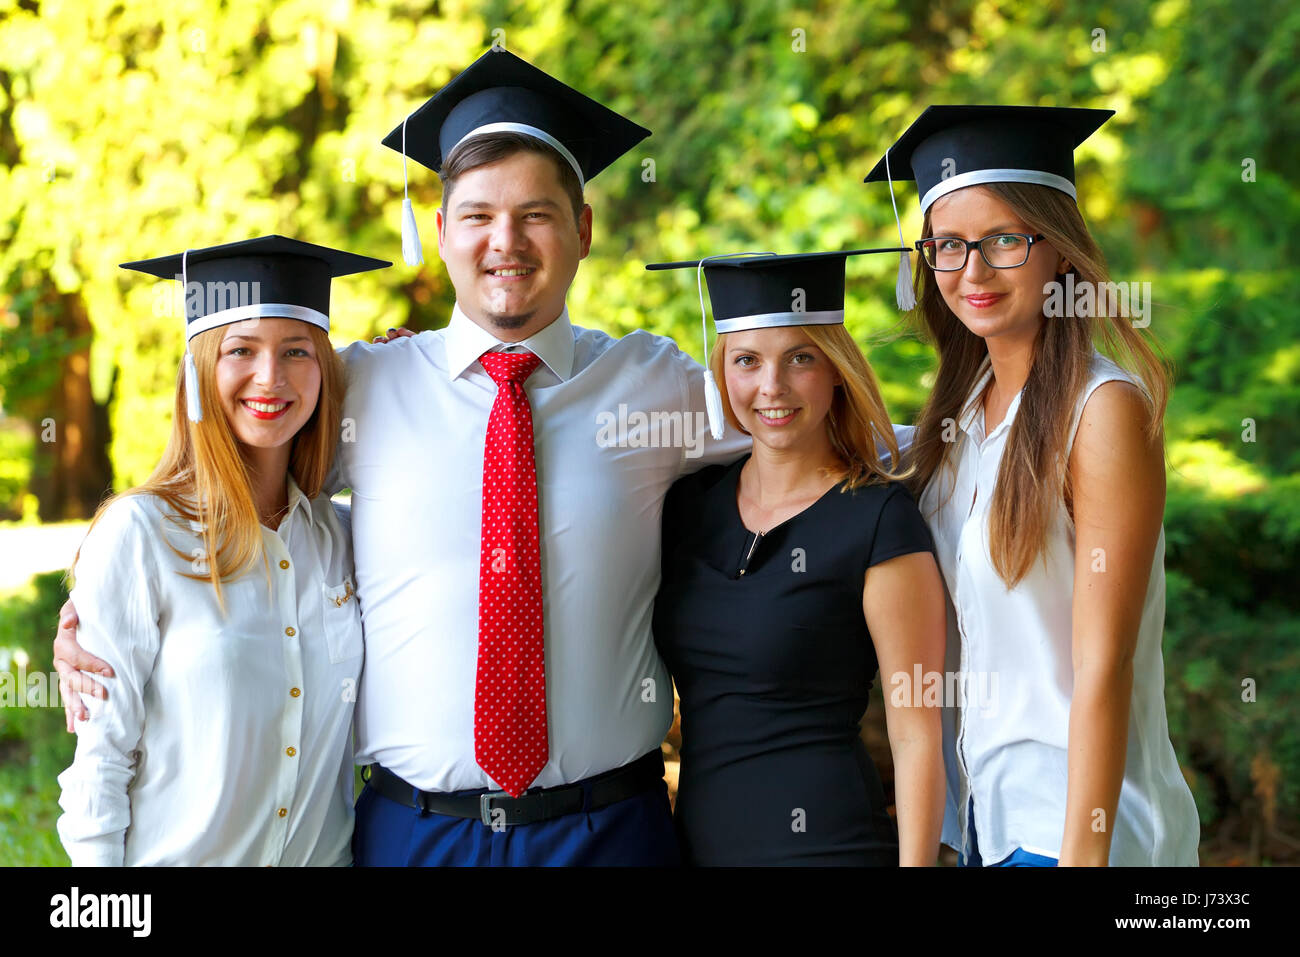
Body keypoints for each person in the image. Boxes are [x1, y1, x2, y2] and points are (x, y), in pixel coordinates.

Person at [56, 49, 757, 866]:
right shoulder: (360, 386)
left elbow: (814, 436)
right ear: (440, 232)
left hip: (605, 830)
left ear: (584, 230)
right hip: (415, 834)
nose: (507, 242)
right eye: (478, 216)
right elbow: (223, 469)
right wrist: (98, 601)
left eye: (536, 214)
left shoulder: (654, 385)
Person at [865, 105, 1201, 866]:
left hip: (1076, 833)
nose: (972, 272)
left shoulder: (1101, 410)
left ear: (1061, 253)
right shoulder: (957, 424)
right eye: (949, 246)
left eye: (1004, 241)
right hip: (988, 823)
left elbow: (1102, 664)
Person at [55, 236, 389, 865]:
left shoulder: (344, 540)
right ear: (199, 371)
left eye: (297, 351)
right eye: (241, 350)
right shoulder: (141, 534)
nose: (271, 377)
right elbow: (100, 768)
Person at [647, 250, 948, 865]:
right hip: (697, 846)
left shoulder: (878, 519)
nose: (772, 387)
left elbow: (917, 733)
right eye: (747, 361)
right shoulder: (686, 507)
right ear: (723, 373)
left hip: (830, 848)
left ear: (837, 370)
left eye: (800, 358)